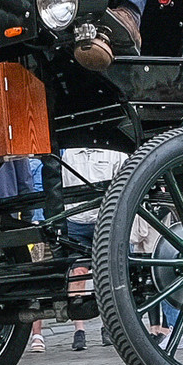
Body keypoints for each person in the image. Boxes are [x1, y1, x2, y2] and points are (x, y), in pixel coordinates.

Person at [61, 147, 124, 351]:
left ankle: (108, 327)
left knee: (106, 274)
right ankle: (79, 329)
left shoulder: (116, 153)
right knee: (78, 273)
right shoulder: (68, 154)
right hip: (77, 220)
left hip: (103, 220)